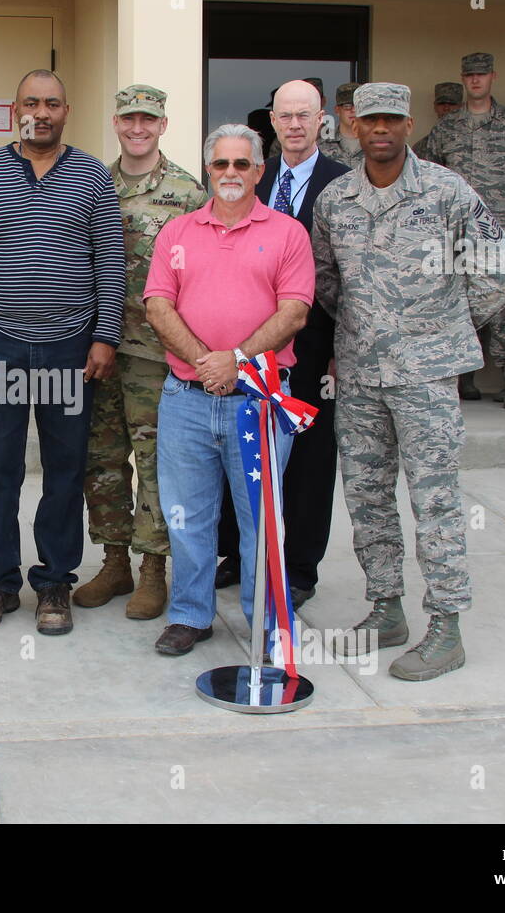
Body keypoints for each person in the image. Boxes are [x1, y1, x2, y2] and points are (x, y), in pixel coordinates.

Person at [313, 83, 505, 681]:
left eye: (392, 120)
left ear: (409, 125)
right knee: (367, 497)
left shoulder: (446, 190)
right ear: (353, 124)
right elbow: (326, 280)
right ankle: (385, 609)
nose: (380, 129)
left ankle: (446, 625)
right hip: (360, 374)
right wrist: (361, 330)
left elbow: (500, 270)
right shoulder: (336, 198)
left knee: (435, 501)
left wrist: (443, 326)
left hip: (425, 376)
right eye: (370, 118)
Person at [0, 69, 125, 636]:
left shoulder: (93, 176)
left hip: (70, 349)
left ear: (67, 111)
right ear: (14, 111)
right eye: (32, 103)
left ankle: (54, 584)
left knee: (64, 471)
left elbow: (110, 264)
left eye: (52, 103)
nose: (41, 113)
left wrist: (105, 337)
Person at [144, 123, 315, 657]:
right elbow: (156, 305)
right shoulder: (177, 233)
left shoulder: (288, 234)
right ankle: (190, 616)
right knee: (187, 515)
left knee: (259, 519)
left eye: (242, 164)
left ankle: (266, 622)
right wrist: (206, 361)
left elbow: (295, 311)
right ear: (208, 172)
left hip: (258, 402)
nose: (231, 174)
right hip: (186, 400)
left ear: (260, 171)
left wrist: (236, 362)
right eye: (221, 164)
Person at [215, 80, 350, 607]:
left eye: (305, 115)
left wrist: (343, 347)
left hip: (315, 341)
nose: (294, 125)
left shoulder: (344, 183)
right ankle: (237, 553)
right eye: (285, 116)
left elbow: (353, 278)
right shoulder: (249, 174)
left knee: (310, 458)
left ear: (322, 121)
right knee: (239, 444)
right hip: (250, 344)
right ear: (271, 121)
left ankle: (298, 569)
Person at [74, 85, 206, 620]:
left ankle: (154, 568)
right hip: (98, 347)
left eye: (147, 120)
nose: (137, 128)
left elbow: (201, 273)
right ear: (115, 122)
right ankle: (113, 562)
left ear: (162, 125)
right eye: (128, 118)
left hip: (155, 353)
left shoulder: (187, 192)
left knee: (155, 463)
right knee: (101, 459)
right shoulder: (92, 183)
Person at [417, 52, 505, 409]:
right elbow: (429, 175)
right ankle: (462, 382)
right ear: (463, 78)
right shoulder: (447, 127)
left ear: (493, 77)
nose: (476, 81)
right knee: (456, 303)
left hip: (503, 234)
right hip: (454, 236)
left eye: (482, 75)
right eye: (470, 75)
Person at [318, 81, 364, 170]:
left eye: (358, 106)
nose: (353, 110)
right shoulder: (322, 144)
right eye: (347, 106)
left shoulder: (374, 143)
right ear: (337, 110)